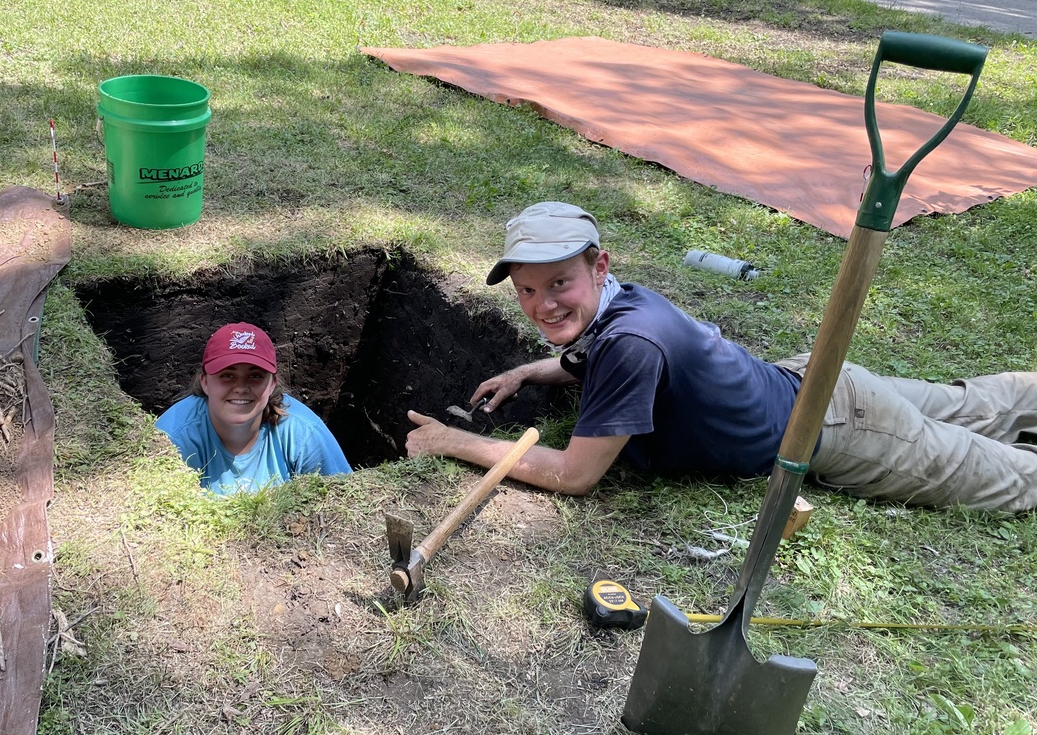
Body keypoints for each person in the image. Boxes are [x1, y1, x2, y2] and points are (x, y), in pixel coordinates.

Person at [405, 201, 1037, 511]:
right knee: (982, 403)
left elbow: (575, 475)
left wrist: (451, 443)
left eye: (559, 283)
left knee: (1011, 480)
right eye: (527, 289)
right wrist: (524, 370)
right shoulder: (622, 308)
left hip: (834, 428)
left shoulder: (630, 344)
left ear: (599, 267)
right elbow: (590, 355)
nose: (542, 305)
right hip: (818, 382)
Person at [156, 322, 352, 495]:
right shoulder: (174, 438)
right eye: (227, 375)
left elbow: (342, 502)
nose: (241, 387)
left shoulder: (304, 432)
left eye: (255, 375)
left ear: (272, 383)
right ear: (205, 382)